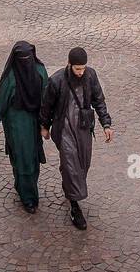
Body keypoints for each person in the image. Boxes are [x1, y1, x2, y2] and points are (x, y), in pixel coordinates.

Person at [39, 46, 112, 230]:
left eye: (83, 68)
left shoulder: (91, 76)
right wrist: (44, 126)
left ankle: (70, 185)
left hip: (84, 128)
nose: (81, 72)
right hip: (64, 129)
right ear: (69, 65)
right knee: (72, 165)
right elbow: (46, 106)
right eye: (77, 68)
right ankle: (74, 205)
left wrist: (106, 124)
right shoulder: (56, 81)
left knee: (83, 163)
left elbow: (99, 100)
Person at [0, 41, 49, 213]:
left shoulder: (39, 72)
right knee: (23, 158)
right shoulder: (11, 78)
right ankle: (28, 197)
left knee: (33, 157)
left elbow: (47, 98)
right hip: (16, 124)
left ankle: (25, 188)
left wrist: (47, 122)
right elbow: (1, 101)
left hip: (34, 120)